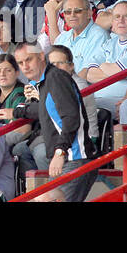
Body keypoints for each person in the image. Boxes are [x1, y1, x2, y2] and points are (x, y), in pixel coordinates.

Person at [13, 41, 98, 202]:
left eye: (29, 60)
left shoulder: (56, 77)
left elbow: (71, 118)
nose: (25, 66)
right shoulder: (46, 82)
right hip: (70, 158)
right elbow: (43, 110)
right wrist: (16, 112)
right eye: (20, 63)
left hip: (75, 158)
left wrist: (60, 151)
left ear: (40, 57)